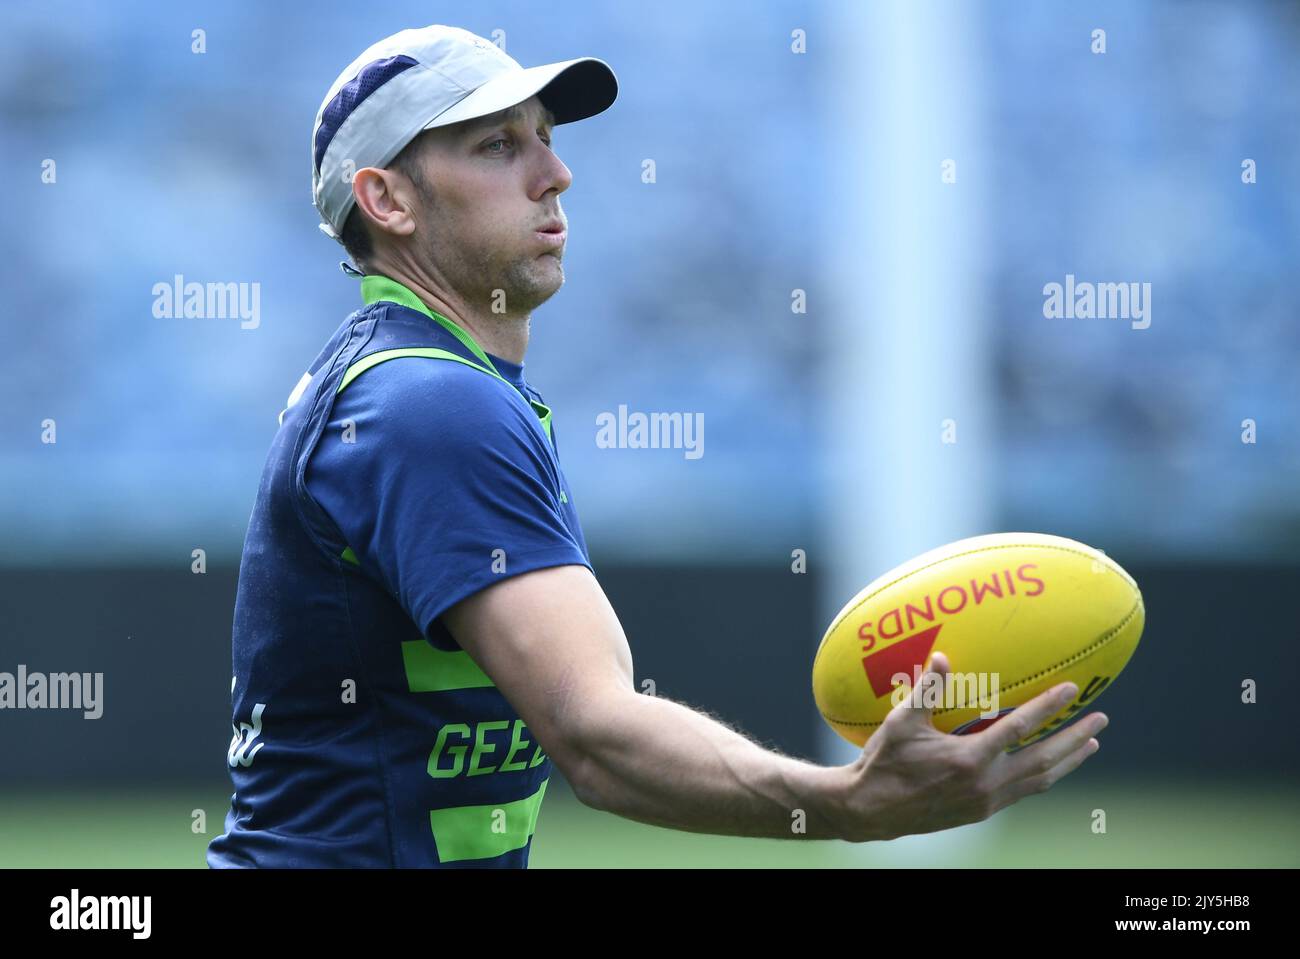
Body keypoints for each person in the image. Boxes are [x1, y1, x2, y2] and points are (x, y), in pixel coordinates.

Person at [207, 23, 1106, 868]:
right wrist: (839, 803)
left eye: (547, 136)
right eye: (497, 146)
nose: (555, 173)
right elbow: (596, 737)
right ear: (387, 199)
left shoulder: (413, 385)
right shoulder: (430, 405)